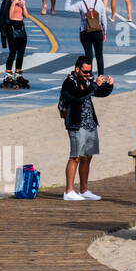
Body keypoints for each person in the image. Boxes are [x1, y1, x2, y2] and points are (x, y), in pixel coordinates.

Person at [59, 56, 113, 201]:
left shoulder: (88, 81)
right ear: (77, 69)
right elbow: (78, 96)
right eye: (85, 72)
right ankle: (69, 191)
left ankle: (83, 190)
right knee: (75, 156)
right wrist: (94, 85)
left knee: (87, 157)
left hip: (90, 124)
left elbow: (99, 93)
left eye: (89, 72)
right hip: (76, 124)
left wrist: (108, 86)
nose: (88, 74)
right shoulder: (69, 82)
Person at [65, 0, 108, 76]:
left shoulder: (81, 4)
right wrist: (104, 32)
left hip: (85, 32)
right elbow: (104, 19)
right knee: (99, 55)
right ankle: (101, 75)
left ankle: (89, 75)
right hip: (98, 31)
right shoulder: (99, 2)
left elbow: (67, 8)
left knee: (88, 56)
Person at [0, 0, 30, 88]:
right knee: (13, 52)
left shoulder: (20, 2)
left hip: (21, 27)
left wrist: (23, 5)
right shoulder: (7, 2)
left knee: (21, 53)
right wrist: (14, 3)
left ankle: (18, 74)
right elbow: (9, 16)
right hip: (11, 28)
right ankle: (8, 74)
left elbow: (26, 16)